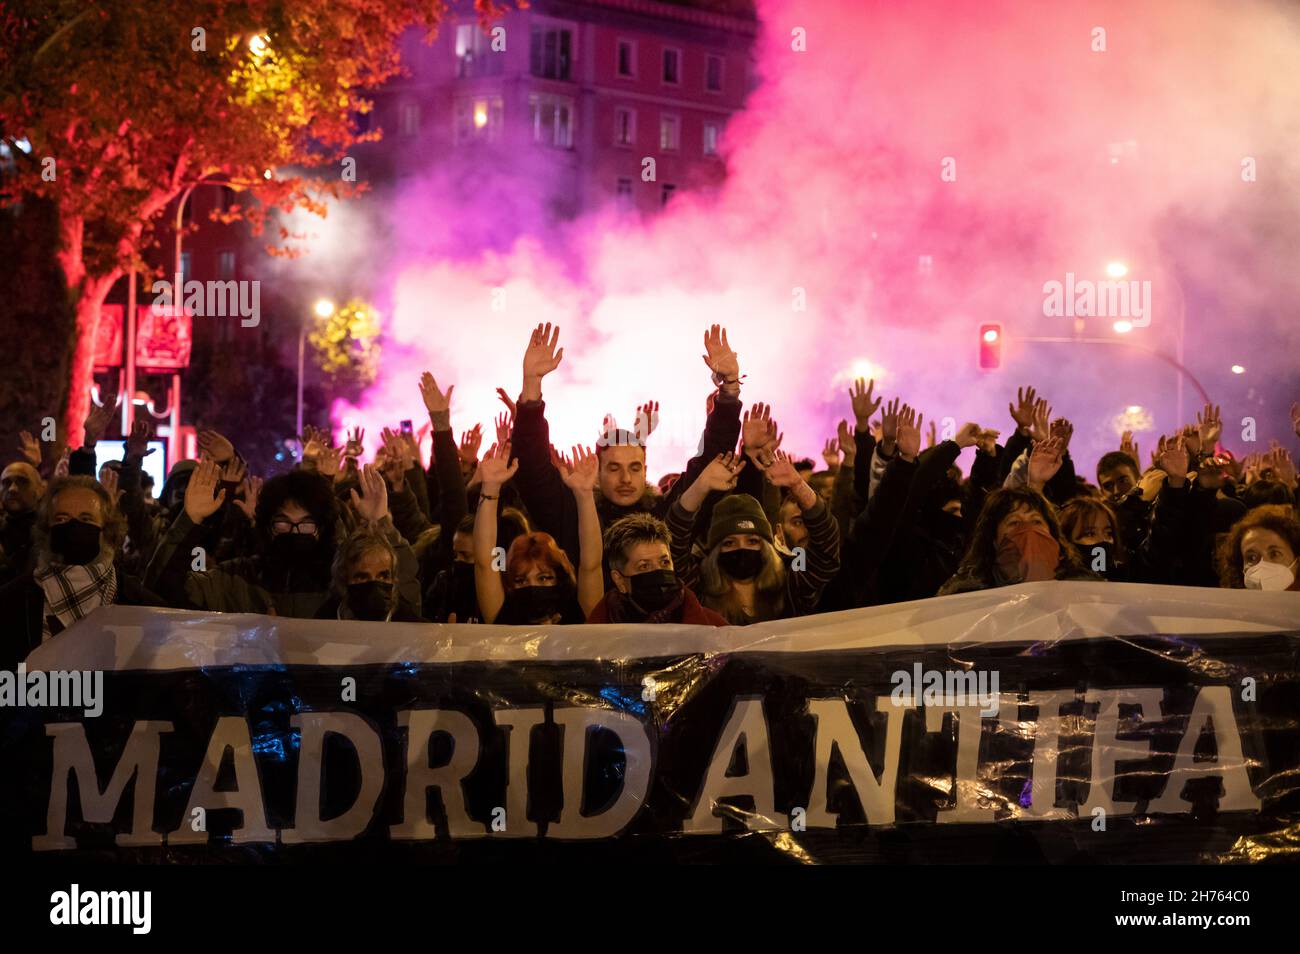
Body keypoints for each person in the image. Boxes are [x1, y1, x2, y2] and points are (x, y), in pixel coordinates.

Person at [508, 322, 745, 567]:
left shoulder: (665, 514)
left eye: (634, 468)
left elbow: (711, 462)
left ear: (645, 471)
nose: (625, 479)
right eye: (614, 468)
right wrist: (531, 385)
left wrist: (729, 387)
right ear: (598, 472)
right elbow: (531, 471)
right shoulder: (573, 514)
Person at [146, 459, 418, 617]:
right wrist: (190, 521)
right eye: (283, 523)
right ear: (267, 526)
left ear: (322, 528)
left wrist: (380, 524)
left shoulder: (348, 583)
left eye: (306, 524)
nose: (294, 532)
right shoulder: (236, 579)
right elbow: (162, 590)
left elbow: (404, 601)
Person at [0, 476, 163, 671]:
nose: (73, 526)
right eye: (62, 519)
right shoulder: (10, 602)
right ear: (47, 529)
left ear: (106, 530)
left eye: (86, 519)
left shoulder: (141, 605)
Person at [667, 450, 840, 624]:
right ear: (715, 551)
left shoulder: (790, 583)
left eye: (752, 541)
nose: (741, 548)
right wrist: (700, 486)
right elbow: (672, 546)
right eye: (729, 542)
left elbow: (825, 549)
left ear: (767, 546)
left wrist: (798, 485)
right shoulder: (700, 588)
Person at [471, 441, 601, 625]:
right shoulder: (503, 615)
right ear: (509, 584)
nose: (533, 587)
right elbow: (485, 562)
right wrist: (490, 488)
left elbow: (591, 565)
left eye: (544, 578)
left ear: (559, 577)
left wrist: (584, 495)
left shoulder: (577, 614)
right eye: (521, 580)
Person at [938, 486, 1096, 594]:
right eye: (1014, 523)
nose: (1028, 530)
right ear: (993, 539)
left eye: (1036, 522)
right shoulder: (966, 595)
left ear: (1052, 534)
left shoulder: (1084, 588)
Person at [587, 512, 728, 625]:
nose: (658, 571)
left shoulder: (713, 627)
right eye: (644, 566)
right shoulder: (596, 636)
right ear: (619, 580)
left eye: (665, 562)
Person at [316, 528, 423, 621]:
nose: (375, 585)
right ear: (343, 579)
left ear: (393, 579)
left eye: (383, 576)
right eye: (362, 577)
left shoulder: (411, 625)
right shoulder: (322, 623)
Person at [1217, 504, 1300, 591]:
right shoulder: (1232, 599)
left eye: (1274, 554)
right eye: (1251, 557)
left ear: (1297, 562)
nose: (1263, 565)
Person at [0, 460, 44, 584]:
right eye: (6, 483)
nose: (12, 489)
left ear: (40, 490)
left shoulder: (49, 533)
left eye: (22, 482)